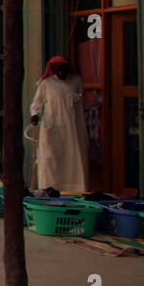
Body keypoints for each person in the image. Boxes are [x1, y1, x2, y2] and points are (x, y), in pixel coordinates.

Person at [29, 56, 90, 197]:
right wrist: (35, 114)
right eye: (58, 69)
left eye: (64, 69)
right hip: (52, 129)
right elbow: (36, 103)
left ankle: (76, 192)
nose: (61, 72)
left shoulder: (76, 82)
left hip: (74, 129)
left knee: (74, 159)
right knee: (51, 160)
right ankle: (49, 189)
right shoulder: (46, 84)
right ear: (53, 70)